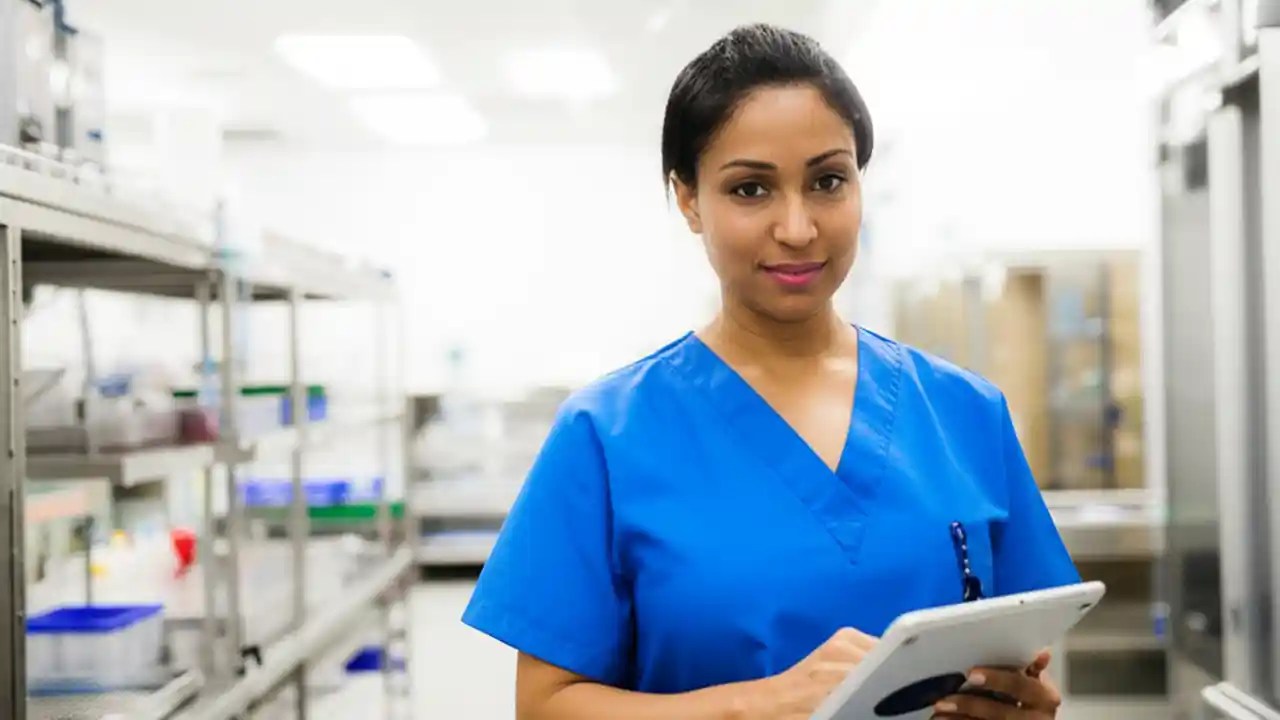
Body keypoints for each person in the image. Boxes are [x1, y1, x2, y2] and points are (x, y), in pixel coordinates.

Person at [462, 23, 1079, 720]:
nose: (797, 227)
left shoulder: (965, 413)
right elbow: (546, 708)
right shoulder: (606, 435)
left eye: (827, 181)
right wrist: (757, 706)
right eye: (751, 189)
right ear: (689, 199)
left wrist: (1017, 707)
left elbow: (1026, 662)